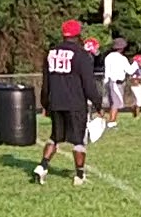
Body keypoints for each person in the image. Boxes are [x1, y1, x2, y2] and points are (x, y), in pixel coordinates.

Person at [35, 20, 104, 186]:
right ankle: (79, 175)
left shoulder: (51, 53)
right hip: (75, 103)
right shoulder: (82, 55)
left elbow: (46, 82)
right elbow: (88, 84)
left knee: (55, 137)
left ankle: (42, 166)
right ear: (78, 35)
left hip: (55, 102)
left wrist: (45, 103)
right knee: (78, 141)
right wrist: (98, 104)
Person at [101, 38, 131, 129]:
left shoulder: (108, 57)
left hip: (108, 81)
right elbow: (129, 70)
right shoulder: (122, 58)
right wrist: (136, 64)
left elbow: (107, 70)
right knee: (116, 103)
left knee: (111, 102)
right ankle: (112, 122)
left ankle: (106, 119)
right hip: (117, 82)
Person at [128, 54, 141, 118]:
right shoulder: (134, 69)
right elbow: (132, 78)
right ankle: (137, 115)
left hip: (138, 86)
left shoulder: (139, 69)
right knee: (139, 101)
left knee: (136, 101)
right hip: (135, 86)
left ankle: (135, 114)